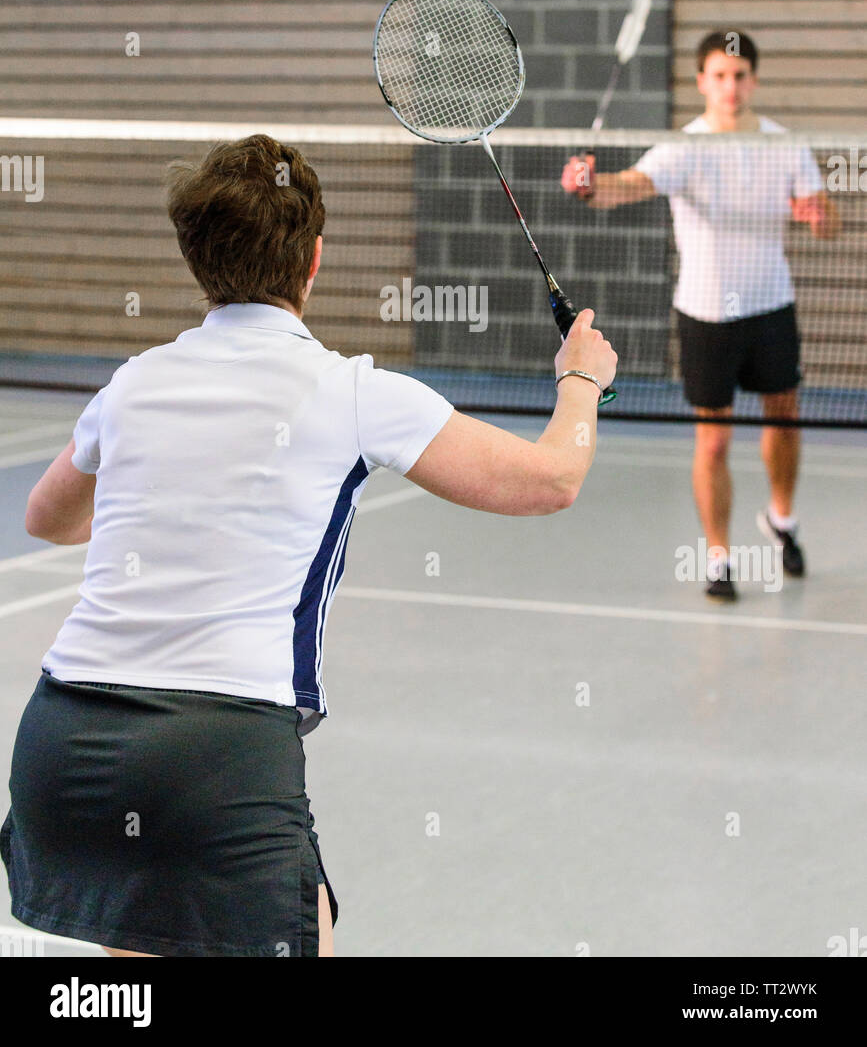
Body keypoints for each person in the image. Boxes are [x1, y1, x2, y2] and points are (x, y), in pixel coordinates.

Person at [1, 133, 617, 958]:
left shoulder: (133, 383)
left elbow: (47, 519)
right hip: (213, 756)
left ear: (196, 260)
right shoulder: (352, 393)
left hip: (61, 746)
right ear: (314, 258)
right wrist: (581, 380)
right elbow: (549, 480)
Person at [561, 31, 839, 602]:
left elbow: (828, 220)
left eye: (739, 76)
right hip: (706, 315)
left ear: (753, 81)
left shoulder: (785, 144)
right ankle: (718, 557)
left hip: (771, 307)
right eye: (718, 76)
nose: (730, 87)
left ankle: (781, 521)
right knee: (713, 441)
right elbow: (630, 186)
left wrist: (818, 216)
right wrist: (591, 188)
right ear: (701, 82)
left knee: (783, 418)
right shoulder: (682, 147)